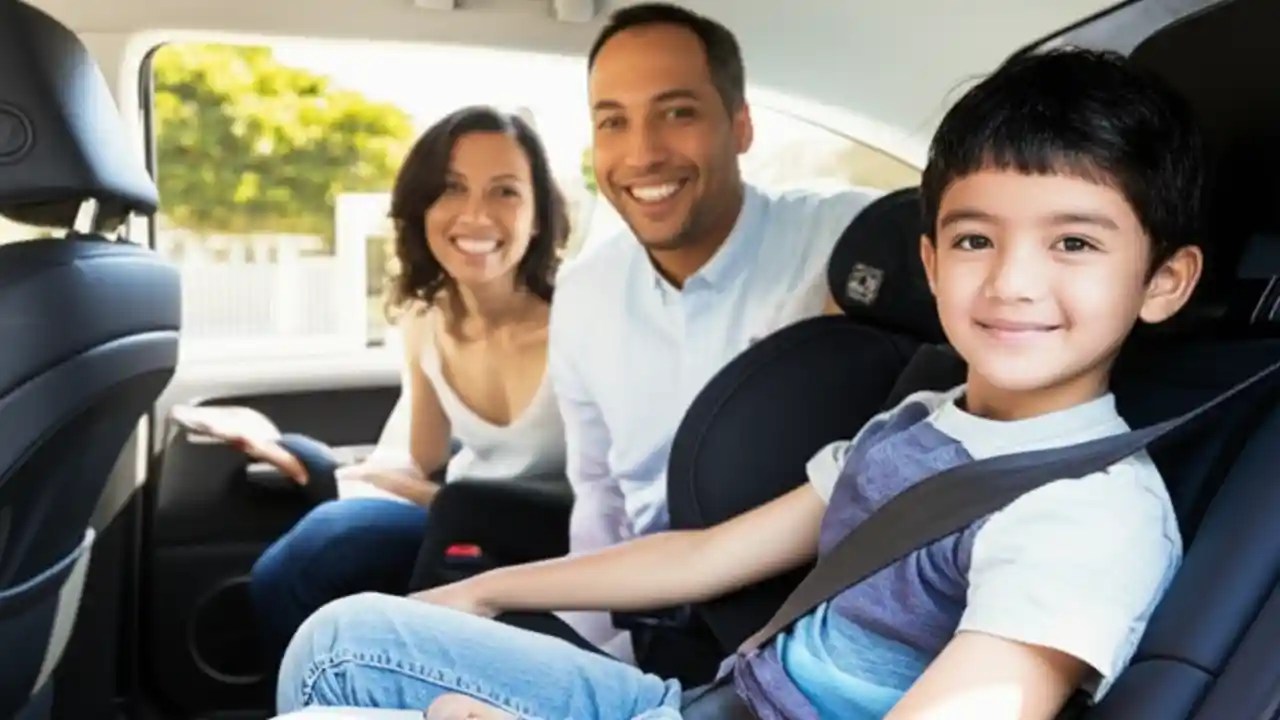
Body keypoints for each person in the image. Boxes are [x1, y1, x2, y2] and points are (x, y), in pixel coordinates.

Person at [273, 46, 1209, 720]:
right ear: (929, 261)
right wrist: (488, 591)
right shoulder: (921, 424)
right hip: (703, 700)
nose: (1011, 281)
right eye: (975, 239)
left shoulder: (1085, 515)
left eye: (1074, 242)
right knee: (346, 636)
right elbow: (702, 556)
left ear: (1165, 281)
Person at [543, 2, 878, 663]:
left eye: (678, 112)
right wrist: (596, 666)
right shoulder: (584, 293)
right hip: (658, 632)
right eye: (613, 121)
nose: (642, 153)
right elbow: (599, 500)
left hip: (816, 628)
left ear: (742, 124)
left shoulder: (849, 239)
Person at [178, 104, 573, 664]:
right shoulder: (426, 318)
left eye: (505, 191)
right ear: (420, 207)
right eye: (451, 189)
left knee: (330, 542)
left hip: (553, 536)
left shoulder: (578, 324)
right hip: (459, 518)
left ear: (538, 216)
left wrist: (406, 490)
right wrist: (314, 461)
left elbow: (608, 500)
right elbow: (425, 459)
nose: (475, 215)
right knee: (301, 559)